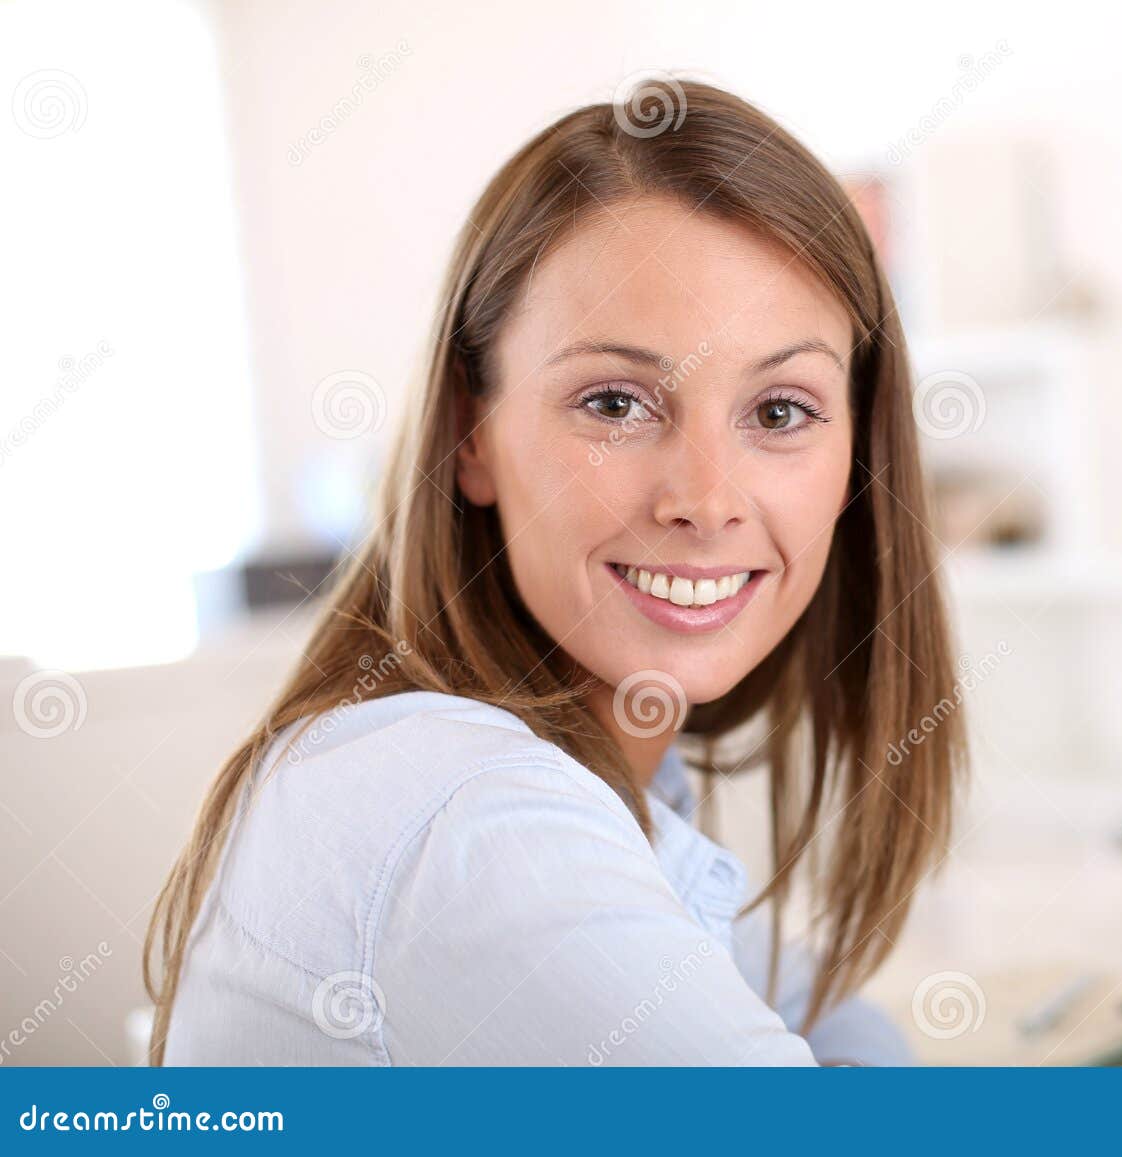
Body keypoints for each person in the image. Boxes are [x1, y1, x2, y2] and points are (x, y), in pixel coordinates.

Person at [145, 78, 967, 1065]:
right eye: (616, 403)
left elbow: (818, 1010)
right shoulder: (469, 811)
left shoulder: (605, 772)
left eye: (780, 411)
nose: (706, 499)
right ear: (469, 432)